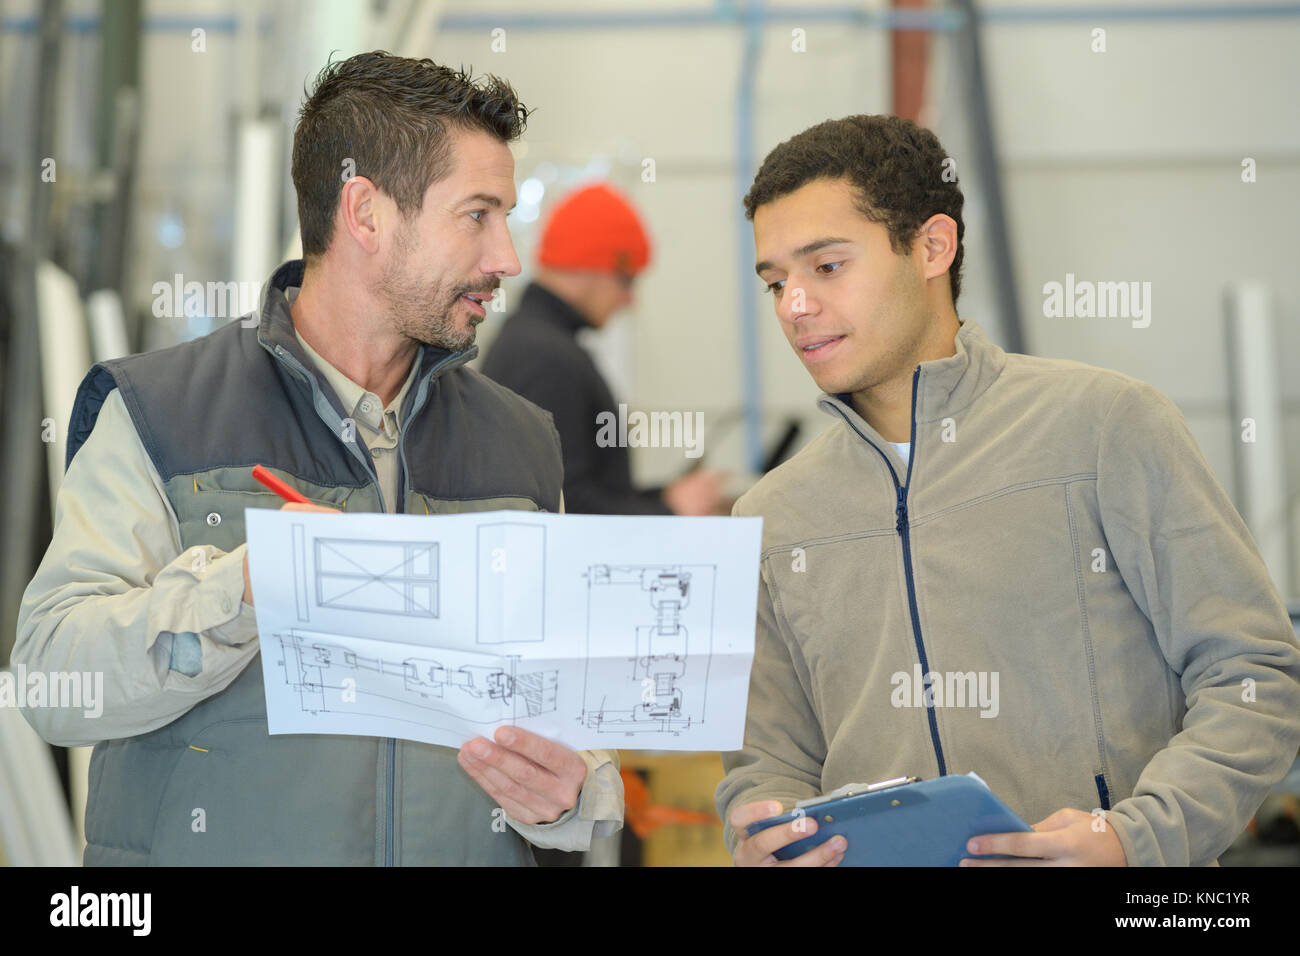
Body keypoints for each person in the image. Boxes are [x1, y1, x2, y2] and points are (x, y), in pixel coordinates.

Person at [14, 52, 621, 865]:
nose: (507, 258)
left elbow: (573, 724)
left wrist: (574, 798)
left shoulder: (520, 440)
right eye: (477, 215)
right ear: (365, 213)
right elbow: (55, 679)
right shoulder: (161, 411)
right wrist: (245, 588)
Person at [715, 114, 1300, 867]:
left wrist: (1133, 837)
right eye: (775, 282)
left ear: (933, 247)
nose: (794, 306)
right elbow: (767, 761)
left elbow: (1252, 674)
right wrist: (767, 833)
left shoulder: (1104, 427)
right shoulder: (771, 515)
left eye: (825, 267)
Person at [482, 182, 727, 516]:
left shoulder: (536, 341)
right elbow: (566, 506)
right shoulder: (544, 357)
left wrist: (663, 497)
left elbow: (585, 488)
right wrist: (669, 509)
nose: (630, 299)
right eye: (626, 280)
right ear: (587, 264)